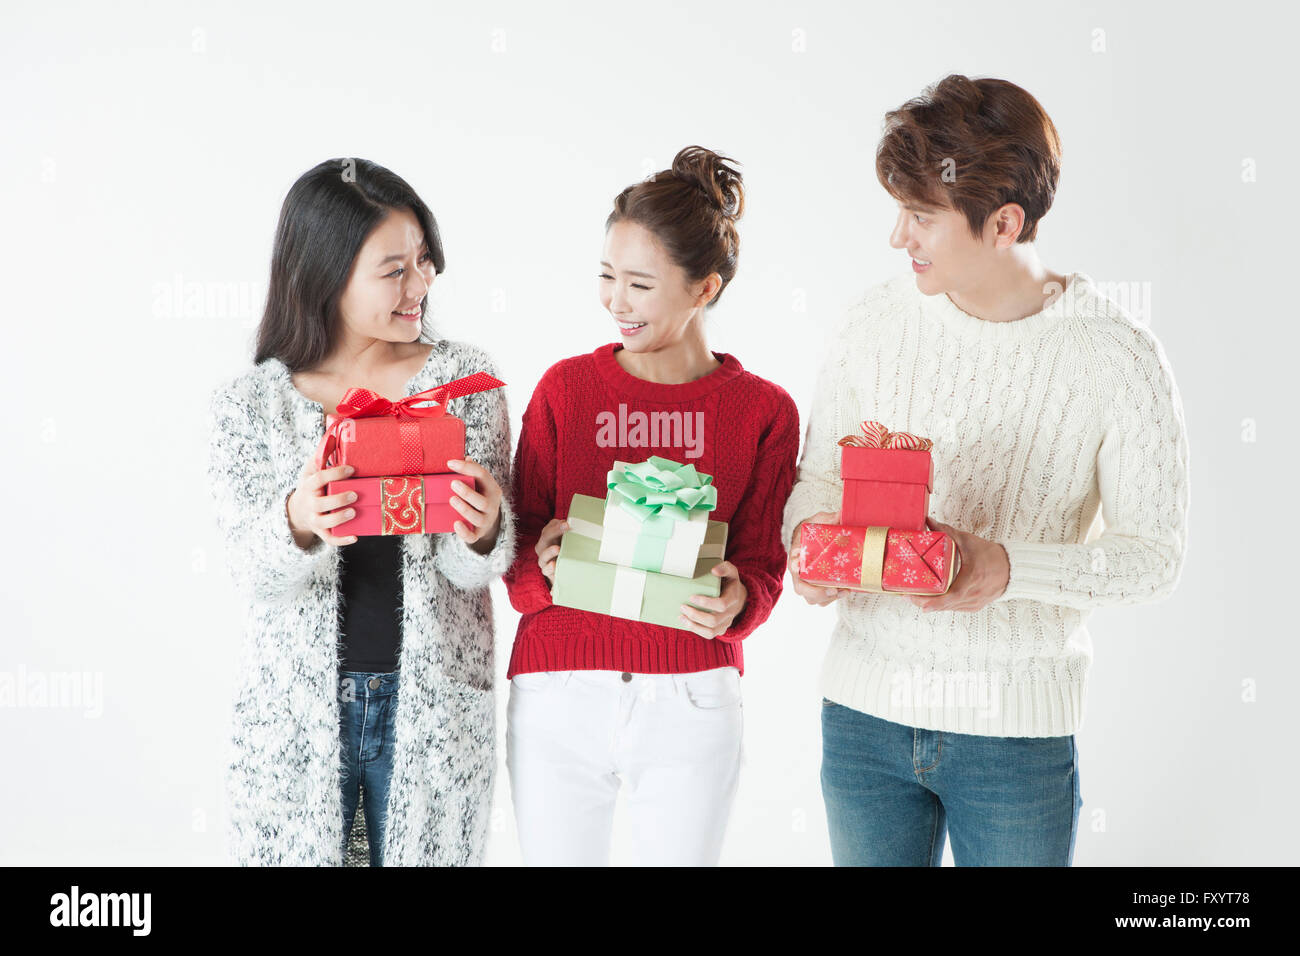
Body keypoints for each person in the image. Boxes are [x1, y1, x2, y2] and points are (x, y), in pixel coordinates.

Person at [781, 75, 1191, 866]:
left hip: (1015, 736)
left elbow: (1154, 560)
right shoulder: (871, 324)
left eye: (922, 216)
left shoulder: (1118, 359)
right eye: (900, 211)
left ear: (1004, 223)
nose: (899, 237)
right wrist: (814, 550)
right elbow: (817, 486)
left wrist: (1008, 570)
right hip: (864, 718)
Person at [206, 157, 515, 866]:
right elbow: (244, 568)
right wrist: (296, 520)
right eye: (394, 269)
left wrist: (484, 526)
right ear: (326, 272)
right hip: (293, 728)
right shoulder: (247, 406)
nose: (421, 285)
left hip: (430, 712)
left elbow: (475, 572)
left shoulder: (463, 382)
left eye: (424, 261)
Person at [502, 145, 799, 866]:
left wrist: (742, 602)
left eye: (639, 283)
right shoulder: (565, 391)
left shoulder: (764, 411)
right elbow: (515, 555)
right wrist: (538, 566)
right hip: (558, 691)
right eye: (607, 276)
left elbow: (762, 563)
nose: (615, 302)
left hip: (692, 693)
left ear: (704, 289)